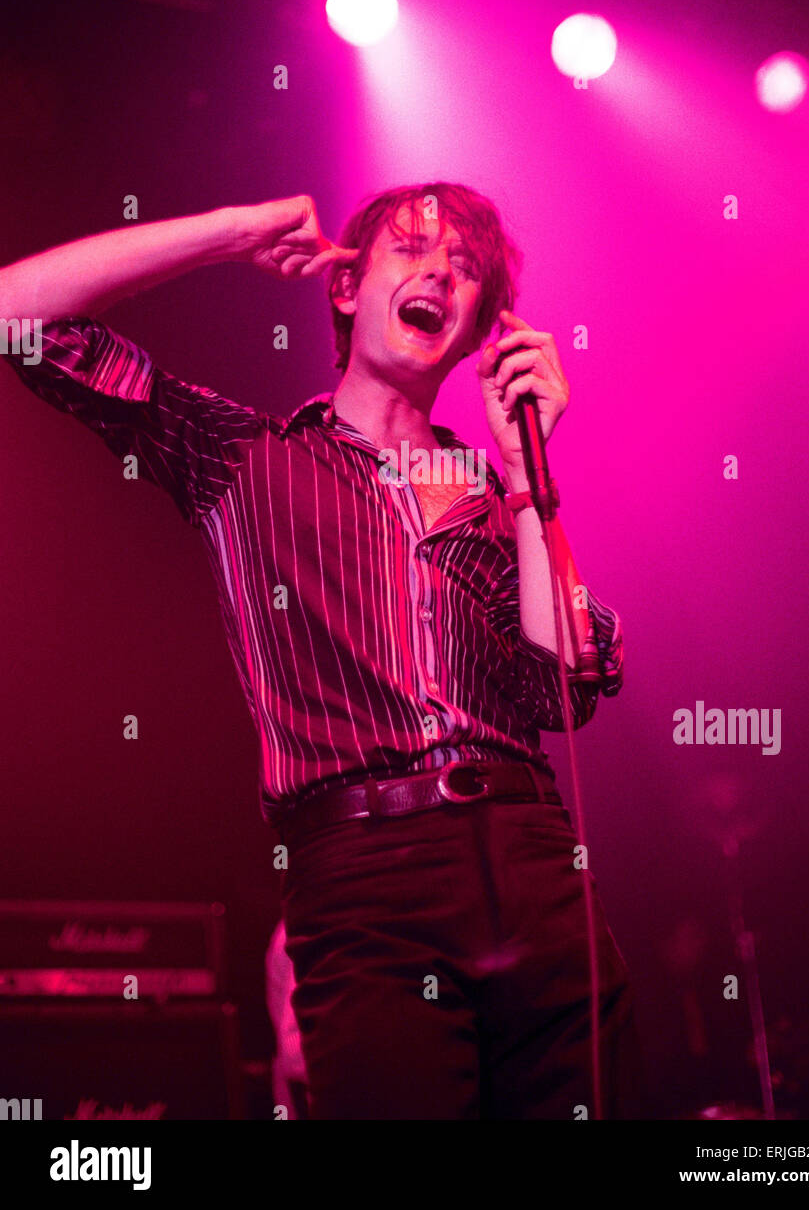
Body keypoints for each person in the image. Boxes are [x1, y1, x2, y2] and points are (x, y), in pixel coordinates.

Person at [1, 182, 634, 1119]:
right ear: (345, 287)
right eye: (411, 251)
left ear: (476, 333)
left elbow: (566, 685)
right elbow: (18, 318)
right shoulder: (245, 459)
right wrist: (233, 230)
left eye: (463, 270)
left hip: (533, 859)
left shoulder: (499, 511)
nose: (438, 275)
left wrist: (524, 475)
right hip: (366, 874)